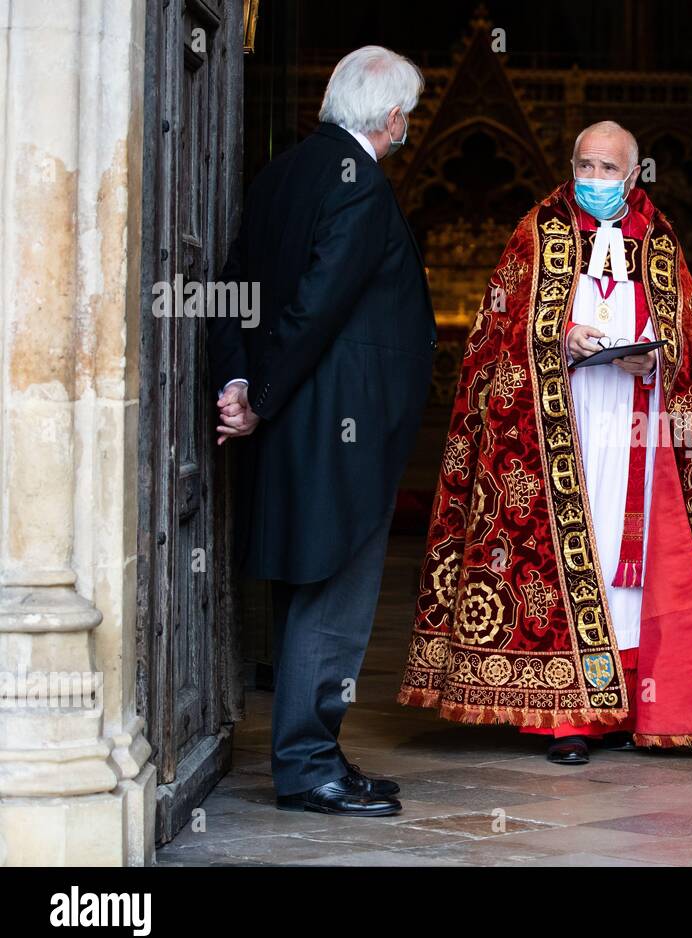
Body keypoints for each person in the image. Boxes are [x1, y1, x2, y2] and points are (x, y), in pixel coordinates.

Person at [397, 120, 692, 764]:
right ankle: (568, 714)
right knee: (573, 556)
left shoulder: (658, 240)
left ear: (634, 175)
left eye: (606, 169)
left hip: (635, 426)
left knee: (633, 567)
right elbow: (494, 331)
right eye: (584, 165)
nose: (593, 179)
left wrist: (654, 362)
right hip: (555, 428)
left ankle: (632, 702)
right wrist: (556, 343)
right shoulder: (536, 231)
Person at [207, 47, 434, 815]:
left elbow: (235, 285)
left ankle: (319, 752)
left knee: (311, 587)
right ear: (393, 117)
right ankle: (308, 767)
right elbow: (316, 307)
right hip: (337, 431)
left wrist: (238, 383)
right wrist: (261, 395)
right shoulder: (361, 187)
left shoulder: (281, 172)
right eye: (409, 114)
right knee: (333, 597)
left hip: (300, 421)